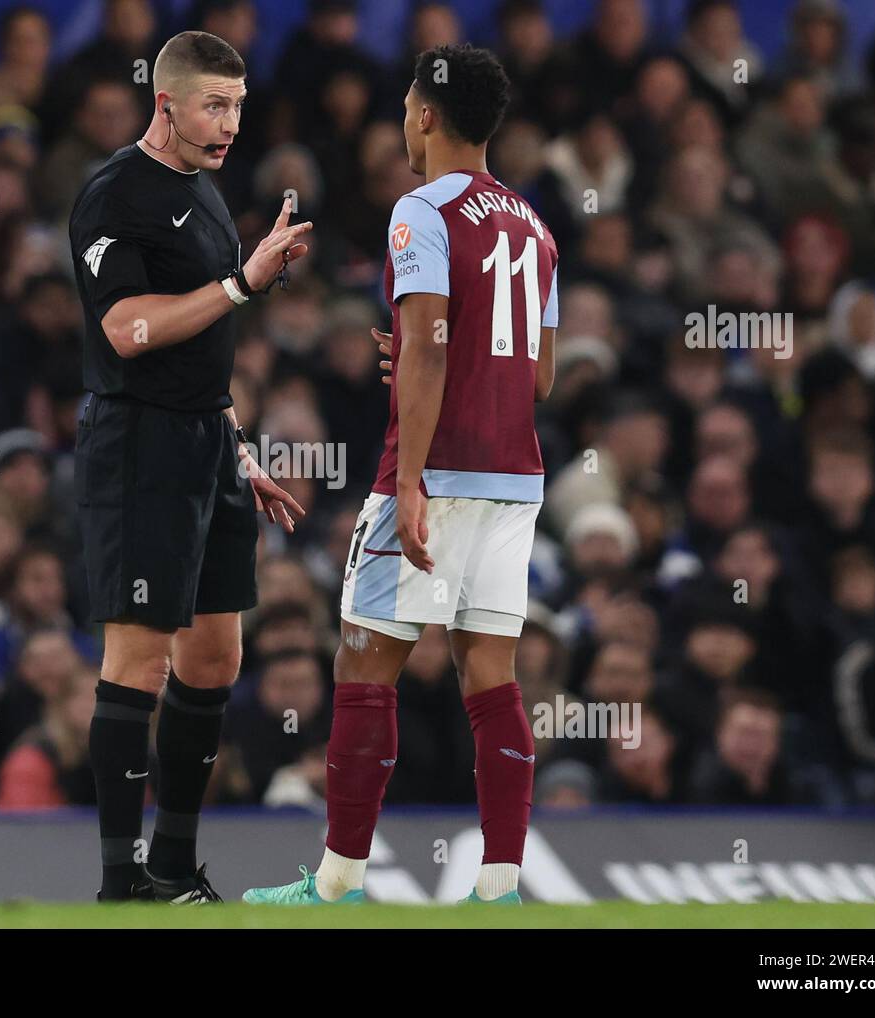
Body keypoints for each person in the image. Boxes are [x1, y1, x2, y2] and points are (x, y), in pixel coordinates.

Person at [244, 43, 557, 906]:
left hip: (436, 470)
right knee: (490, 676)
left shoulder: (421, 209)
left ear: (422, 114)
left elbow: (426, 345)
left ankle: (338, 878)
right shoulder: (535, 225)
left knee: (362, 668)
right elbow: (539, 375)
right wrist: (433, 360)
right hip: (514, 480)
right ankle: (500, 887)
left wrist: (410, 478)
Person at [68, 30, 310, 903]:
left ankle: (173, 864)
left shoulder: (204, 194)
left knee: (214, 659)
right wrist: (244, 283)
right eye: (215, 104)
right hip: (138, 445)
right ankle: (117, 878)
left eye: (238, 106)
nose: (230, 122)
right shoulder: (114, 195)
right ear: (164, 103)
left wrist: (237, 449)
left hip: (208, 443)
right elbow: (128, 330)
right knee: (139, 660)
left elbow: (202, 342)